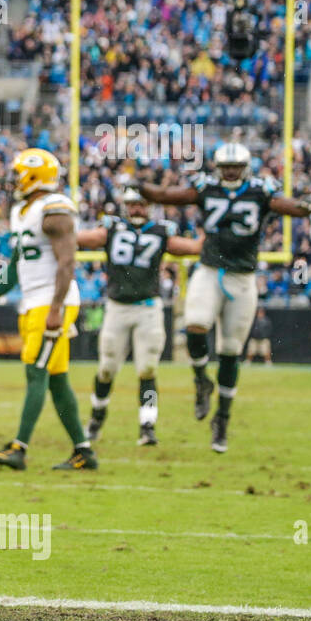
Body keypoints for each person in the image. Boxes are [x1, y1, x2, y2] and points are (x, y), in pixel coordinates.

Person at [135, 143, 311, 452]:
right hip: (210, 269)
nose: (230, 172)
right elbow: (167, 197)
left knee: (231, 351)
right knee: (194, 323)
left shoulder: (261, 191)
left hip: (243, 278)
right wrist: (140, 186)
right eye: (225, 167)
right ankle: (200, 379)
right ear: (218, 168)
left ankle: (221, 420)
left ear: (246, 166)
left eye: (235, 166)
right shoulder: (206, 188)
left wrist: (306, 205)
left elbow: (289, 206)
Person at [0, 148, 97, 472]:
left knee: (35, 371)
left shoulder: (55, 209)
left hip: (51, 303)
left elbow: (68, 262)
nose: (13, 180)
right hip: (33, 302)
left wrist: (56, 308)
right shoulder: (22, 210)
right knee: (56, 379)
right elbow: (14, 263)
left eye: (18, 173)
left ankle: (19, 449)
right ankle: (84, 451)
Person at [76, 188, 202, 446]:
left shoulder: (160, 231)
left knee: (148, 369)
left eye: (141, 205)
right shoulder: (112, 228)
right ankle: (97, 418)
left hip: (148, 307)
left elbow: (190, 248)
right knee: (107, 369)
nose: (137, 209)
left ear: (149, 206)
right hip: (117, 307)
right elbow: (84, 239)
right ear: (125, 206)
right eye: (133, 205)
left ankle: (148, 425)